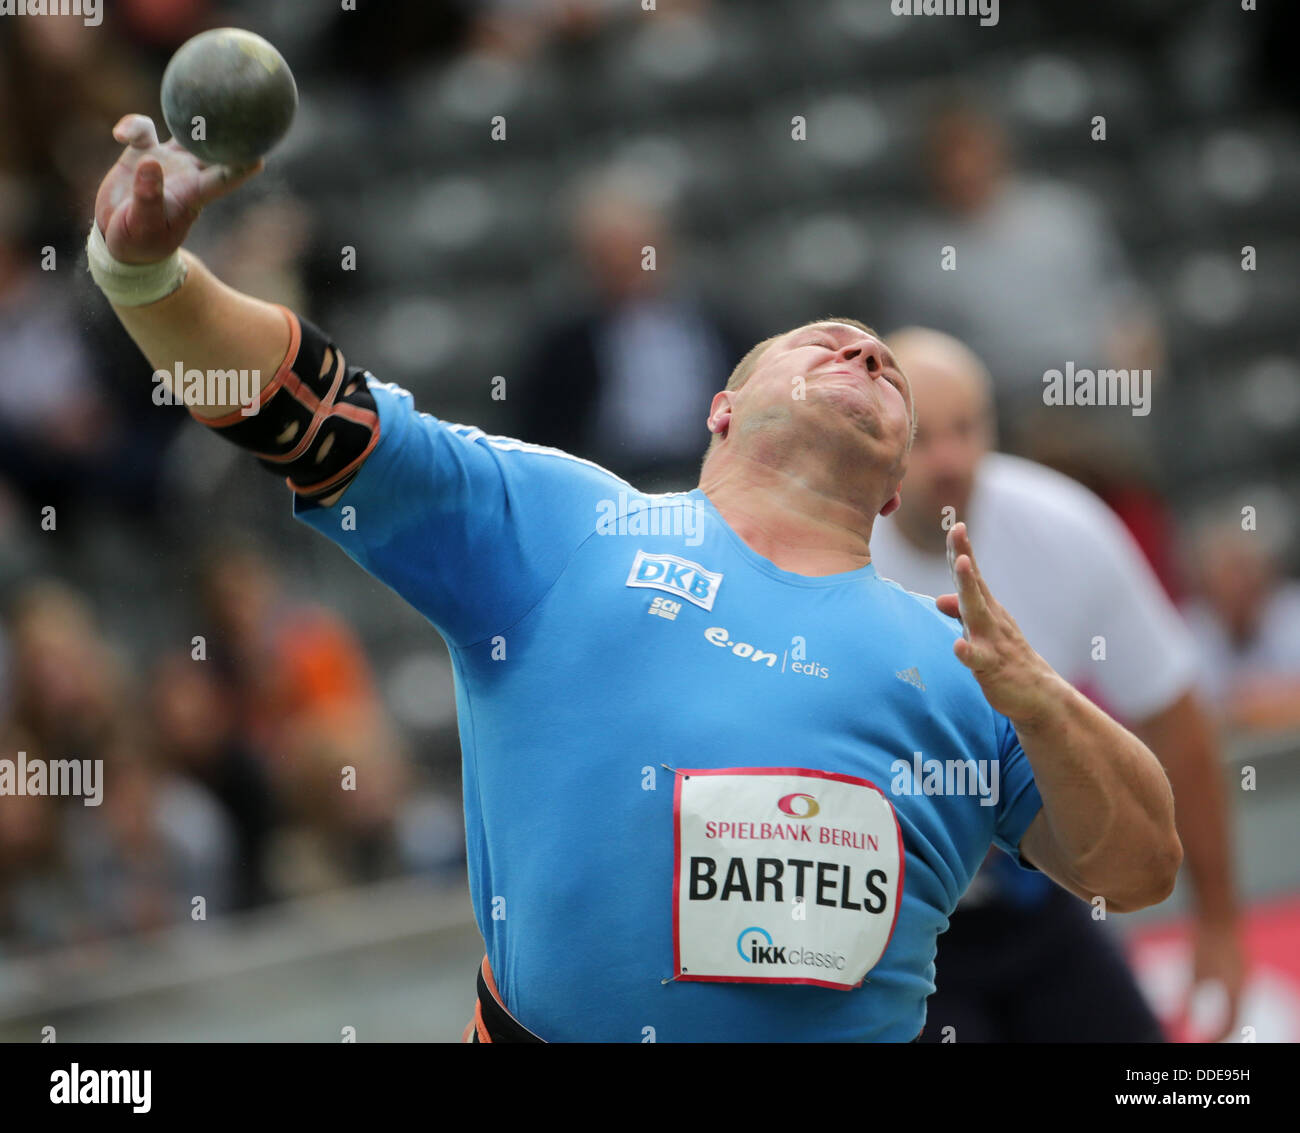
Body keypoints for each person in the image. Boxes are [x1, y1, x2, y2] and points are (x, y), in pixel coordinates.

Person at [83, 113, 1181, 1042]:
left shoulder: (966, 665)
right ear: (720, 410)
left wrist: (1040, 698)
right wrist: (143, 273)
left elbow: (1135, 865)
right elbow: (307, 412)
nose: (863, 354)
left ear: (891, 488)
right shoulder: (566, 522)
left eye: (880, 365)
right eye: (824, 344)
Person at [869, 327, 1243, 1042]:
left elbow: (1176, 715)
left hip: (1039, 893)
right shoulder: (831, 546)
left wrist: (1220, 920)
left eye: (964, 429)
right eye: (921, 437)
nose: (947, 459)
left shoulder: (1065, 525)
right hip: (892, 920)